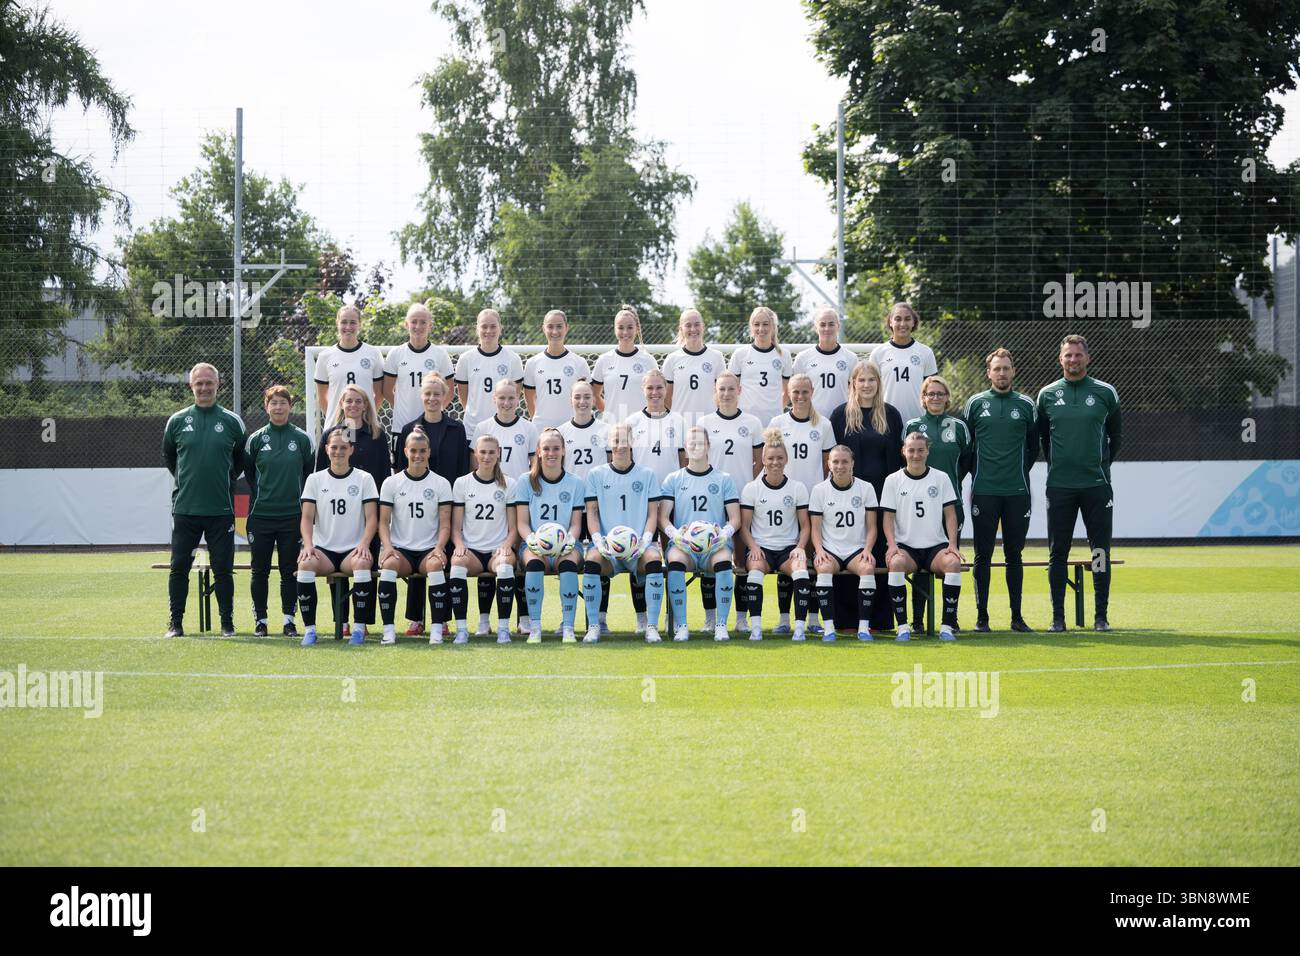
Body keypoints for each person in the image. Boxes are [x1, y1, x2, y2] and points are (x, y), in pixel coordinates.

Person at [1036, 334, 1122, 632]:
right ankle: (1057, 618)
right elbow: (1044, 438)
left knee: (1100, 551)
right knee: (1057, 552)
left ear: (1088, 358)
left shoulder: (1105, 393)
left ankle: (1101, 617)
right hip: (1060, 485)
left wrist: (1099, 466)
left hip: (1097, 485)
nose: (1073, 360)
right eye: (1068, 355)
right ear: (1060, 359)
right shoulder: (1046, 395)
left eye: (1077, 355)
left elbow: (1116, 437)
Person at [162, 362, 247, 637]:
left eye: (209, 383)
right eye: (199, 383)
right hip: (185, 508)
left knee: (223, 569)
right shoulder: (176, 421)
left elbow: (240, 460)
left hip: (220, 509)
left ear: (218, 385)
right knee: (179, 568)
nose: (204, 388)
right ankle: (175, 623)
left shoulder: (232, 422)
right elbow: (170, 458)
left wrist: (223, 480)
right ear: (191, 386)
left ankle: (227, 623)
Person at [963, 348, 1037, 633]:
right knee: (983, 555)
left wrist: (1014, 474)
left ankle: (1016, 617)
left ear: (1013, 371)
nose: (1002, 373)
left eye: (1007, 368)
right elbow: (967, 447)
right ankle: (982, 618)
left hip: (1017, 491)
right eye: (997, 369)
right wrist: (983, 475)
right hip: (984, 491)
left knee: (1014, 555)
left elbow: (1033, 448)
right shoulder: (975, 404)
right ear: (989, 372)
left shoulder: (1027, 405)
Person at [392, 375, 472, 635]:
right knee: (416, 551)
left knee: (441, 557)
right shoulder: (409, 429)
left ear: (445, 396)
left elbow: (462, 468)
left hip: (447, 502)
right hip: (416, 501)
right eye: (428, 393)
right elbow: (399, 468)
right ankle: (416, 618)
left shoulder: (456, 429)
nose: (432, 398)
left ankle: (443, 618)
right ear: (421, 396)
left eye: (437, 394)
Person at [831, 360, 903, 630]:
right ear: (853, 384)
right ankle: (845, 620)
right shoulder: (840, 415)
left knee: (878, 553)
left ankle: (879, 620)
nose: (866, 385)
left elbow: (897, 462)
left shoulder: (891, 415)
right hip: (847, 498)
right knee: (847, 551)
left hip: (882, 498)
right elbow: (833, 459)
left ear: (878, 383)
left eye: (871, 380)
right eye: (861, 380)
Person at [316, 384, 391, 637]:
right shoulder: (330, 435)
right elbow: (319, 473)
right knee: (337, 567)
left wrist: (381, 511)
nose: (353, 405)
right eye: (349, 401)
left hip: (368, 511)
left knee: (365, 564)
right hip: (338, 512)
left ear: (366, 405)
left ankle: (364, 620)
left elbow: (383, 474)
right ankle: (342, 620)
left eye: (358, 401)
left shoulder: (378, 435)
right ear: (341, 404)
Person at [582, 423, 667, 643]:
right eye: (615, 441)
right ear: (609, 444)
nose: (620, 446)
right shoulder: (595, 475)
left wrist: (646, 540)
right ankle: (593, 626)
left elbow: (652, 515)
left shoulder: (647, 475)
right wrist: (599, 541)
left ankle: (651, 626)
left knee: (654, 559)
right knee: (591, 559)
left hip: (638, 548)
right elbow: (591, 513)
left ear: (632, 442)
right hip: (608, 550)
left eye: (624, 440)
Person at [296, 427, 379, 646]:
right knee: (305, 565)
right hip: (324, 550)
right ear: (326, 449)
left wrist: (364, 544)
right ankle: (310, 630)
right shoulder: (315, 479)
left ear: (351, 449)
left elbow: (372, 518)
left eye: (343, 447)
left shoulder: (364, 478)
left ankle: (359, 629)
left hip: (352, 550)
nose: (338, 451)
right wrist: (308, 545)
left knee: (362, 563)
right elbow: (306, 518)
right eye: (334, 447)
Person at [658, 426, 741, 643]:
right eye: (691, 443)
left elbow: (735, 518)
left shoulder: (723, 479)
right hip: (684, 546)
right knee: (674, 562)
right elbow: (663, 516)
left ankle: (721, 625)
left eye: (700, 443)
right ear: (685, 449)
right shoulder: (673, 479)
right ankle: (681, 625)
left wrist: (724, 535)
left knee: (724, 561)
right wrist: (675, 536)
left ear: (708, 447)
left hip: (715, 545)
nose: (696, 447)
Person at [903, 374, 972, 631]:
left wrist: (948, 484)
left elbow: (967, 460)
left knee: (948, 557)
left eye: (940, 394)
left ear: (947, 398)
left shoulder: (959, 426)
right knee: (919, 558)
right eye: (930, 394)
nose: (935, 398)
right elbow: (906, 462)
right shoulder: (912, 425)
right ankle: (918, 620)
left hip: (949, 505)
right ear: (922, 398)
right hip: (917, 505)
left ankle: (949, 620)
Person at [243, 385, 314, 638]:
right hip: (261, 515)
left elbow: (308, 476)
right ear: (266, 406)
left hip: (292, 516)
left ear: (290, 406)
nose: (278, 407)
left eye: (283, 402)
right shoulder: (256, 439)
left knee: (289, 570)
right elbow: (250, 474)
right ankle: (260, 621)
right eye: (273, 403)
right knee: (259, 570)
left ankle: (288, 620)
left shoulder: (302, 439)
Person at [769, 373, 835, 634]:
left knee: (813, 559)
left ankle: (814, 619)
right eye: (795, 392)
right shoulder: (777, 422)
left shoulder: (824, 425)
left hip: (814, 500)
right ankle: (785, 620)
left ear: (812, 393)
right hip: (785, 498)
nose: (799, 397)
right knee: (789, 556)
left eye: (804, 392)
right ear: (788, 393)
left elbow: (826, 463)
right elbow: (771, 459)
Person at [882, 432, 963, 642]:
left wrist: (953, 544)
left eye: (920, 450)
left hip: (935, 547)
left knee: (953, 564)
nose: (915, 455)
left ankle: (946, 626)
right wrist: (891, 545)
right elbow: (887, 518)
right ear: (903, 451)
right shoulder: (893, 480)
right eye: (911, 450)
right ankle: (902, 627)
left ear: (927, 451)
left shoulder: (941, 478)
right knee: (896, 563)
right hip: (906, 547)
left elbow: (950, 514)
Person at [697, 371, 762, 632]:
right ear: (715, 391)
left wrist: (751, 493)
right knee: (710, 554)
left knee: (741, 561)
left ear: (739, 390)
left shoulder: (753, 423)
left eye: (730, 389)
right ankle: (710, 617)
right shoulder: (704, 422)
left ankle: (740, 618)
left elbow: (759, 462)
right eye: (721, 389)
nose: (726, 394)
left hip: (742, 499)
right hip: (713, 498)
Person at [623, 367, 686, 633]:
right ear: (643, 390)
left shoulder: (679, 421)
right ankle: (642, 617)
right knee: (641, 556)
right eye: (650, 388)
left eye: (659, 387)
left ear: (666, 389)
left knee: (674, 557)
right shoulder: (632, 422)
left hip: (670, 499)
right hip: (641, 500)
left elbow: (683, 462)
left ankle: (674, 619)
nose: (655, 392)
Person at [377, 428, 453, 645]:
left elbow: (445, 524)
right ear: (405, 451)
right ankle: (389, 630)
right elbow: (383, 522)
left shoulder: (440, 483)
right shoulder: (392, 483)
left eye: (422, 451)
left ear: (429, 452)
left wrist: (439, 548)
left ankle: (437, 629)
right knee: (389, 566)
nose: (417, 455)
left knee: (436, 566)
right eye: (413, 451)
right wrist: (388, 547)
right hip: (401, 550)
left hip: (429, 549)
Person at [512, 429, 587, 643]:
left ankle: (568, 628)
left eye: (556, 448)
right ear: (538, 451)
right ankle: (535, 627)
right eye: (546, 448)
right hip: (535, 544)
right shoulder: (526, 481)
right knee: (534, 564)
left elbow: (575, 524)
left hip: (566, 544)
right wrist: (532, 541)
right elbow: (522, 523)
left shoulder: (575, 483)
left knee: (568, 565)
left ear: (563, 451)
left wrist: (569, 541)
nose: (551, 453)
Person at [739, 428, 811, 641]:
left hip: (788, 549)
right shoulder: (751, 489)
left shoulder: (797, 488)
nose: (775, 462)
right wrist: (753, 547)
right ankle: (757, 627)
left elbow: (805, 525)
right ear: (763, 459)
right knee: (755, 571)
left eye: (779, 458)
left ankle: (799, 627)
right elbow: (744, 526)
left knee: (800, 571)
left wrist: (799, 547)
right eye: (770, 458)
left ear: (787, 459)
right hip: (762, 548)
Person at [449, 435, 519, 644]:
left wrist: (506, 546)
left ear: (498, 454)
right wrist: (460, 545)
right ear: (476, 454)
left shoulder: (509, 483)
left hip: (496, 550)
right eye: (483, 452)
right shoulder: (462, 483)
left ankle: (503, 629)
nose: (487, 457)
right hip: (472, 551)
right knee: (457, 563)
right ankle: (462, 629)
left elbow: (514, 528)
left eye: (491, 452)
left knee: (506, 566)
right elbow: (455, 527)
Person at [808, 445, 879, 642]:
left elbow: (872, 526)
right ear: (829, 464)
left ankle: (863, 628)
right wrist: (819, 550)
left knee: (867, 567)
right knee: (823, 568)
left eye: (845, 461)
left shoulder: (866, 488)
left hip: (856, 549)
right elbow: (815, 528)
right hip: (830, 549)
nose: (840, 466)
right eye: (836, 462)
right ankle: (829, 628)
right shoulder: (819, 490)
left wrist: (867, 549)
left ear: (852, 464)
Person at [559, 381, 613, 634]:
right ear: (570, 400)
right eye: (577, 397)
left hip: (598, 508)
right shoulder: (561, 433)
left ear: (595, 399)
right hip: (569, 509)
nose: (582, 402)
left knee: (600, 558)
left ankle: (600, 618)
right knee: (565, 560)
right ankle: (566, 618)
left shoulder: (606, 430)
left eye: (587, 397)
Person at [382, 302, 454, 439]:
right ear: (406, 324)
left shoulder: (440, 354)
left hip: (433, 426)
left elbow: (449, 392)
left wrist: (433, 412)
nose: (418, 326)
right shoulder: (396, 354)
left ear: (430, 325)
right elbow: (386, 390)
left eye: (423, 322)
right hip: (402, 426)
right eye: (414, 322)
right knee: (402, 461)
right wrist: (402, 408)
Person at [313, 305, 384, 437]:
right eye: (344, 322)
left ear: (360, 324)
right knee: (339, 456)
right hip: (336, 428)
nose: (348, 327)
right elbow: (322, 396)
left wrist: (366, 415)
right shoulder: (325, 356)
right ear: (337, 324)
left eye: (352, 322)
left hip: (365, 427)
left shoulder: (373, 353)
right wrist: (338, 416)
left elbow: (379, 393)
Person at [454, 308, 525, 435]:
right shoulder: (466, 359)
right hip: (473, 428)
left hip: (504, 427)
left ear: (500, 328)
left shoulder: (513, 359)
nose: (488, 331)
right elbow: (463, 396)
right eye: (484, 326)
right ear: (477, 329)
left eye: (493, 326)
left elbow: (515, 394)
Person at [869, 302, 938, 425]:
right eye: (897, 319)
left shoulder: (925, 352)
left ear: (913, 322)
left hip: (918, 420)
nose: (902, 324)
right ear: (890, 322)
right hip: (885, 420)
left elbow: (933, 390)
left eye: (907, 319)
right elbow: (871, 390)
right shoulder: (878, 353)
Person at [523, 309, 590, 429]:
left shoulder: (579, 363)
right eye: (550, 327)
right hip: (542, 429)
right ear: (543, 329)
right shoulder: (532, 363)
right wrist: (538, 419)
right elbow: (529, 397)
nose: (555, 331)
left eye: (559, 326)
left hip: (572, 427)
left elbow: (587, 398)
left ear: (566, 328)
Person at [591, 306, 656, 425]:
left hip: (641, 426)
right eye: (621, 328)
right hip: (613, 428)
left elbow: (657, 395)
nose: (625, 332)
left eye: (630, 327)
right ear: (615, 329)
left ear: (637, 329)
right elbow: (594, 394)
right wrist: (609, 412)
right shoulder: (604, 360)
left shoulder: (648, 360)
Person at [729, 306, 792, 427]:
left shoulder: (784, 355)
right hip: (745, 420)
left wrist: (776, 410)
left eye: (765, 324)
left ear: (773, 326)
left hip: (773, 421)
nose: (761, 328)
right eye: (756, 324)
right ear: (751, 327)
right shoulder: (740, 354)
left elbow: (787, 391)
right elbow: (732, 389)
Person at [663, 308, 726, 428]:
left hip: (710, 425)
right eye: (688, 325)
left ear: (703, 327)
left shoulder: (716, 357)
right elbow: (666, 398)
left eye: (697, 324)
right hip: (680, 426)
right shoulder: (672, 359)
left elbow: (722, 395)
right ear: (681, 329)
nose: (693, 329)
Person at [791, 308, 856, 419]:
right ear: (816, 328)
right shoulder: (803, 358)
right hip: (811, 419)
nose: (827, 328)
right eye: (822, 324)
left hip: (842, 419)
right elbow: (795, 392)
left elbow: (855, 393)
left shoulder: (850, 358)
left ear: (838, 326)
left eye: (831, 324)